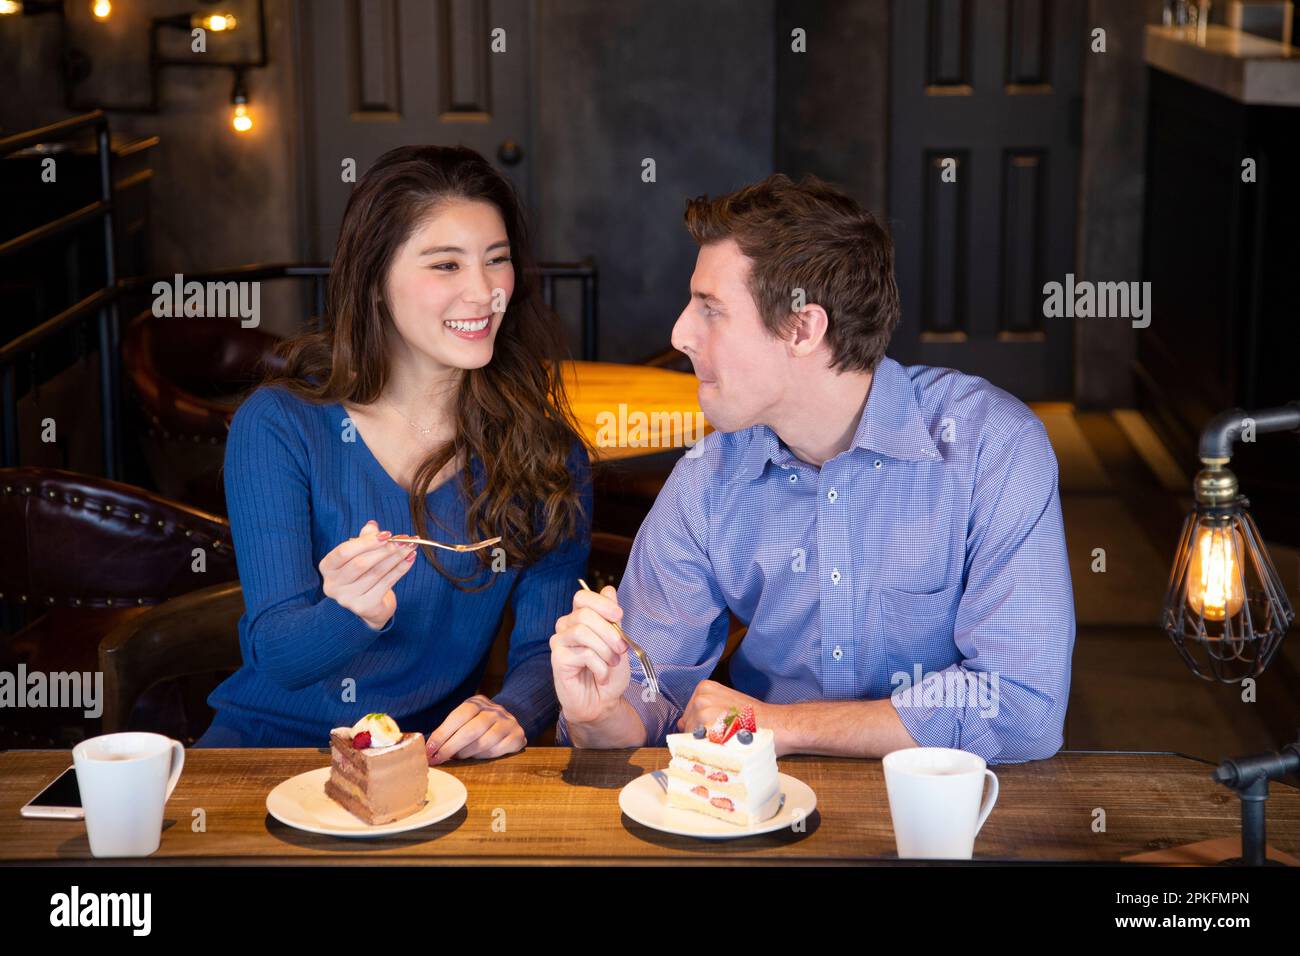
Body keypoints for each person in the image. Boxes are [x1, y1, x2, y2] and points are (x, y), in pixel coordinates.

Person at [549, 173, 1074, 765]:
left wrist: (779, 725)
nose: (680, 333)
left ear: (802, 328)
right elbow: (655, 703)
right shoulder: (709, 477)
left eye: (710, 309)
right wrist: (597, 713)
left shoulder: (992, 447)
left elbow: (1023, 710)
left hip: (950, 827)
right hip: (758, 821)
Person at [196, 145, 591, 759]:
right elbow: (279, 656)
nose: (484, 292)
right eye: (445, 266)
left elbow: (545, 647)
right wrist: (351, 613)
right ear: (375, 281)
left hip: (427, 761)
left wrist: (513, 710)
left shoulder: (544, 451)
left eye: (497, 261)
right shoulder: (280, 427)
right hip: (268, 751)